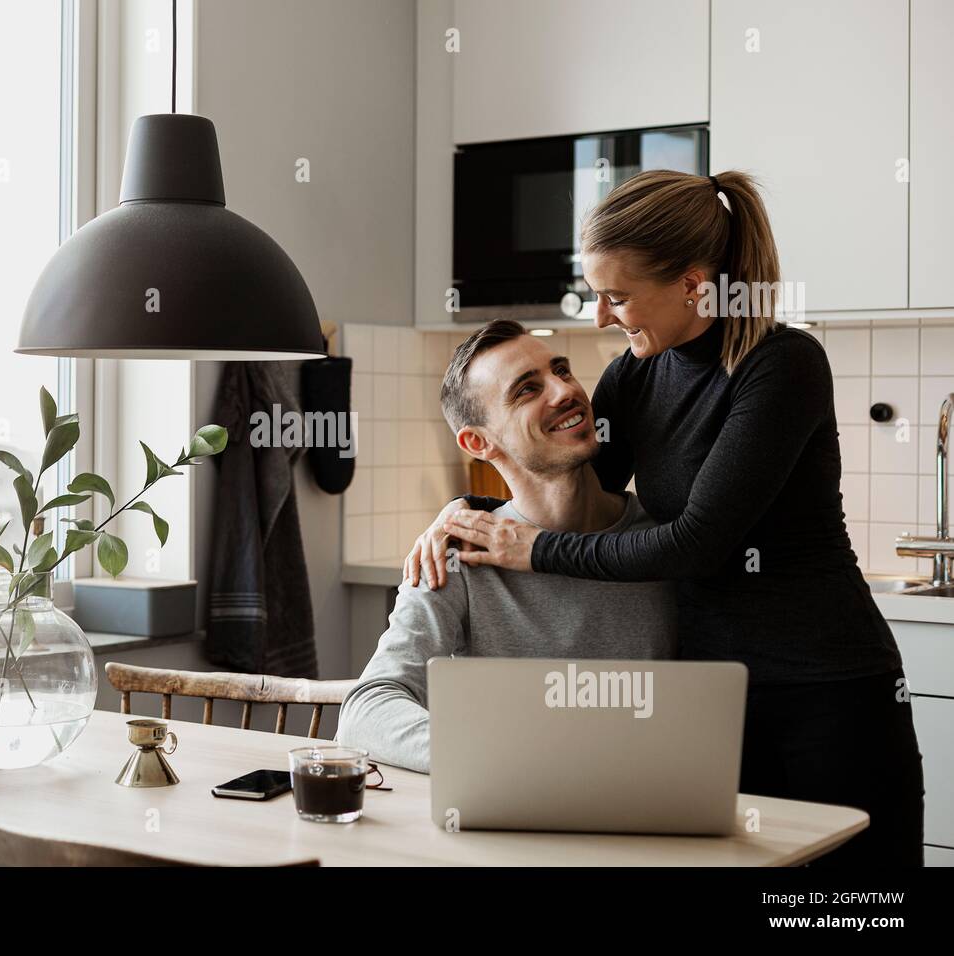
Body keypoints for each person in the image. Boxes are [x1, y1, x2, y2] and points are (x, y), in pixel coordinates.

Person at [402, 170, 924, 865]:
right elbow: (579, 497)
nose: (600, 317)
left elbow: (696, 545)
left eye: (616, 296)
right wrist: (464, 513)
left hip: (827, 692)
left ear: (692, 283)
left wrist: (528, 550)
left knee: (858, 908)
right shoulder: (635, 375)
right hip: (708, 704)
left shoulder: (783, 364)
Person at [337, 323, 676, 773]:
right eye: (527, 390)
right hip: (514, 813)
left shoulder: (668, 542)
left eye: (561, 370)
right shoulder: (457, 552)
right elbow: (366, 711)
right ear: (479, 442)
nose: (564, 391)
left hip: (655, 804)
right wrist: (503, 760)